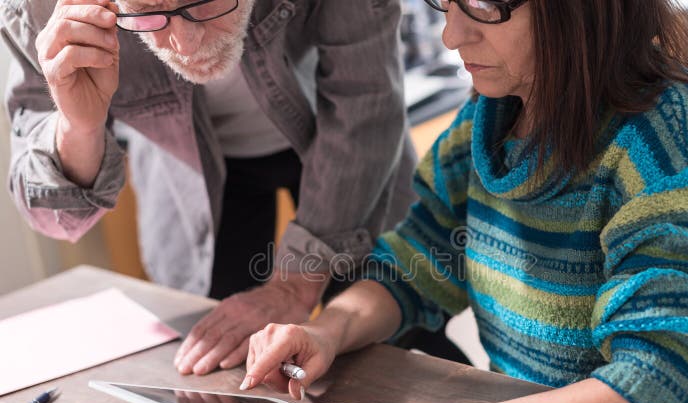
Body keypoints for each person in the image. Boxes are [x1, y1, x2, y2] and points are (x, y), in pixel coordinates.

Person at [238, 0, 688, 403]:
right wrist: (325, 332)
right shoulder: (493, 113)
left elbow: (647, 396)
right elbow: (418, 259)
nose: (451, 35)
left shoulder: (671, 139)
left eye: (483, 6)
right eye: (445, 3)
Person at [1, 0, 468, 371]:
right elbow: (57, 219)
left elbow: (364, 103)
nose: (182, 44)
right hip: (188, 173)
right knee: (218, 359)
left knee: (396, 335)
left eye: (202, 5)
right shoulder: (39, 8)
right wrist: (79, 127)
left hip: (336, 136)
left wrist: (293, 285)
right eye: (146, 13)